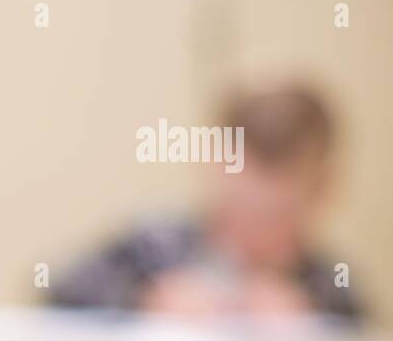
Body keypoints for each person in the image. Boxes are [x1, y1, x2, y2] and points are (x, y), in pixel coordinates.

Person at [51, 83, 361, 321]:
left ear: (323, 190)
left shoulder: (330, 290)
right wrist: (144, 300)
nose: (253, 231)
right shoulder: (151, 250)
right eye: (241, 206)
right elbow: (59, 295)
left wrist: (313, 319)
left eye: (276, 214)